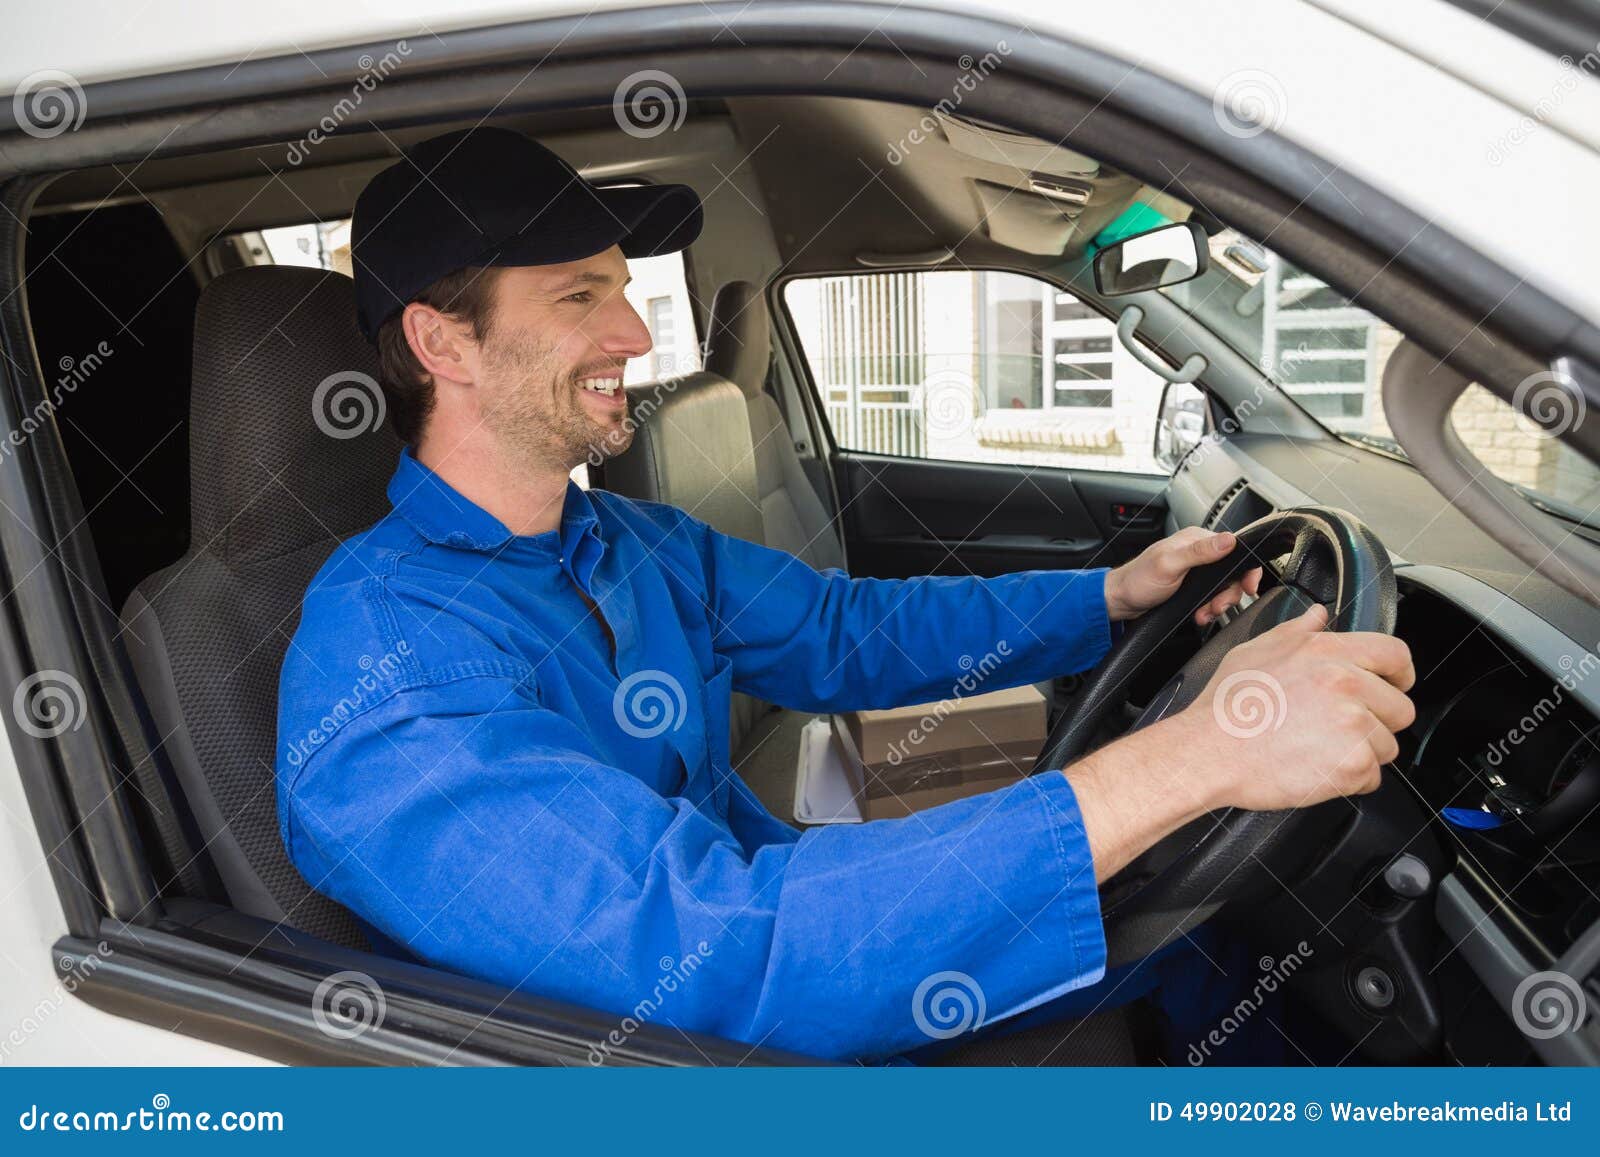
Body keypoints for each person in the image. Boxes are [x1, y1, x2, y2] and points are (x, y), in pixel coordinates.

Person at [275, 127, 1415, 1062]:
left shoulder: (622, 538)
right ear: (442, 341)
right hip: (726, 1058)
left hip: (813, 978)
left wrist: (1109, 597)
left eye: (624, 289)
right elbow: (719, 955)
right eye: (580, 296)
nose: (632, 331)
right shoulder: (384, 667)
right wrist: (1193, 756)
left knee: (1204, 946)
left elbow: (841, 630)